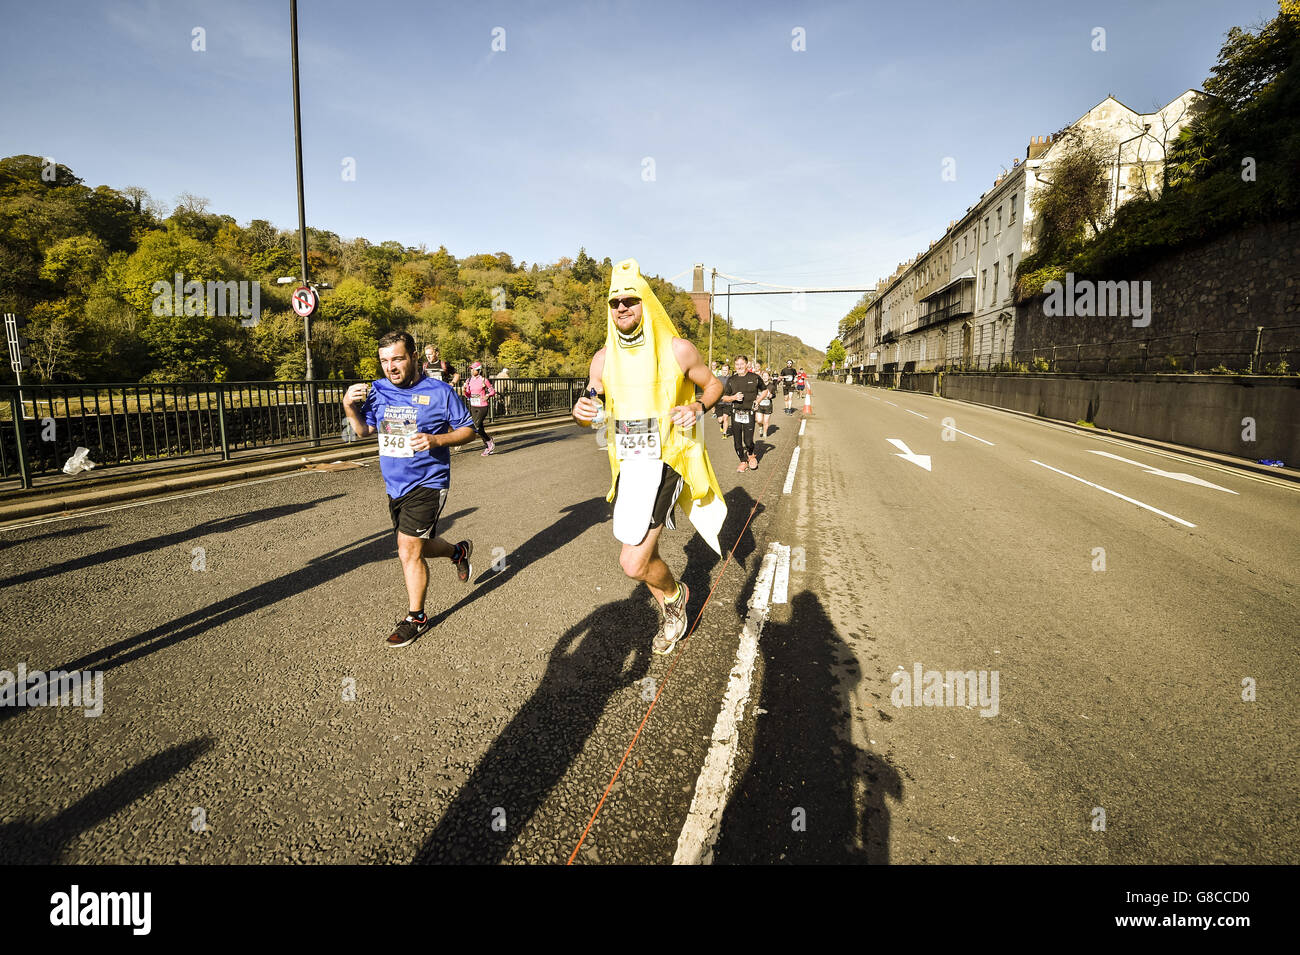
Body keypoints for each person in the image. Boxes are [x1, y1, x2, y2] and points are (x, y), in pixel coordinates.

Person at [572, 259, 726, 657]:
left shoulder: (678, 349)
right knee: (641, 549)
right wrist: (582, 409)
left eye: (630, 299)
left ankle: (675, 598)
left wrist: (697, 408)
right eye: (615, 302)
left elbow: (713, 385)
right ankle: (672, 596)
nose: (622, 307)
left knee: (633, 562)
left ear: (646, 303)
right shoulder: (603, 358)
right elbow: (590, 397)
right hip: (627, 464)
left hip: (668, 460)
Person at [344, 331, 477, 648]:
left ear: (414, 356)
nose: (390, 366)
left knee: (407, 549)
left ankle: (416, 617)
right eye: (384, 360)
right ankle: (457, 551)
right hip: (395, 485)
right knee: (418, 546)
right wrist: (348, 405)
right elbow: (364, 431)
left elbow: (469, 430)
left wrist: (437, 440)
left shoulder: (440, 392)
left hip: (429, 482)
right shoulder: (375, 391)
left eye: (398, 358)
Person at [721, 355, 769, 471]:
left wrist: (758, 401)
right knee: (737, 442)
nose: (739, 367)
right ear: (734, 366)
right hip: (736, 413)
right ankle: (743, 461)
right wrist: (734, 397)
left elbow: (765, 390)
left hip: (749, 413)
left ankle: (751, 455)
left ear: (747, 364)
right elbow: (724, 397)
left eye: (742, 364)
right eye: (737, 364)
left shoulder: (755, 377)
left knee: (748, 441)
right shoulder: (731, 380)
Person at [462, 361, 497, 455]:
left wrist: (488, 395)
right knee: (479, 428)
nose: (472, 371)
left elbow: (493, 391)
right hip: (473, 406)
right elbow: (467, 395)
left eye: (473, 369)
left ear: (479, 370)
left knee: (476, 425)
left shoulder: (484, 380)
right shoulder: (468, 380)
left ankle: (489, 441)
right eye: (471, 369)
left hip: (482, 406)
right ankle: (488, 445)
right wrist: (464, 391)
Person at [755, 362, 775, 439]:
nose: (765, 377)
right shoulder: (758, 385)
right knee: (759, 420)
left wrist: (771, 396)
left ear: (769, 377)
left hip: (768, 406)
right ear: (762, 377)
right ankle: (760, 427)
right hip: (759, 405)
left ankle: (765, 433)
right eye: (764, 376)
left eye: (767, 376)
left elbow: (774, 395)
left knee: (766, 421)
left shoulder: (772, 386)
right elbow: (754, 393)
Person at [714, 359, 731, 436]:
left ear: (729, 371)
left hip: (728, 402)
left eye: (726, 370)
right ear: (721, 370)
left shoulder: (732, 379)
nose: (724, 371)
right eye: (723, 370)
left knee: (725, 418)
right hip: (719, 402)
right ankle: (721, 425)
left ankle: (724, 433)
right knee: (720, 420)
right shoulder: (717, 378)